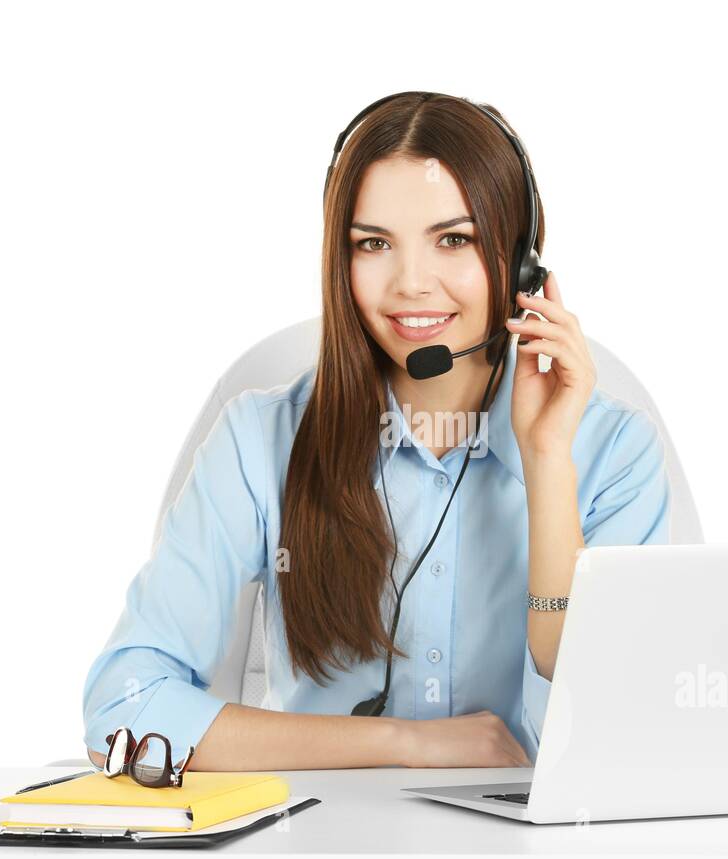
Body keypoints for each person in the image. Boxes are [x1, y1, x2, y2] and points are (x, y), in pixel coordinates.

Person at [82, 92, 669, 771]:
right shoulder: (258, 440)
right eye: (374, 244)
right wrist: (405, 744)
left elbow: (613, 708)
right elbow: (123, 708)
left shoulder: (612, 454)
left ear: (523, 258)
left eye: (455, 239)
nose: (411, 283)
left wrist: (546, 464)